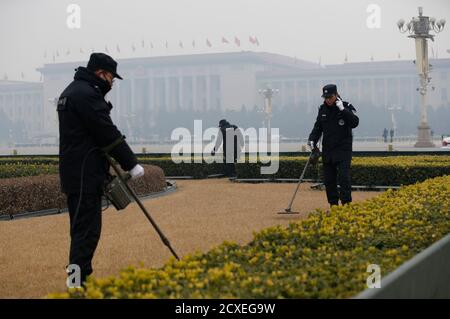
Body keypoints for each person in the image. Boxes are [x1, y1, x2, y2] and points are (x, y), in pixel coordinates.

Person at [57, 53, 145, 286]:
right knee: (86, 233)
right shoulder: (87, 94)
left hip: (76, 172)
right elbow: (106, 131)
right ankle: (77, 283)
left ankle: (77, 281)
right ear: (101, 74)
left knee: (80, 231)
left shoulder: (72, 90)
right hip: (85, 174)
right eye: (111, 78)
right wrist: (131, 163)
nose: (112, 83)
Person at [308, 84, 359, 207]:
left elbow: (355, 123)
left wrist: (343, 110)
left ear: (336, 95)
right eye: (325, 97)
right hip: (328, 150)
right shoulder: (322, 109)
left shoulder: (345, 107)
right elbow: (318, 128)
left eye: (330, 97)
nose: (328, 100)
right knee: (329, 180)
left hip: (343, 150)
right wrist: (312, 140)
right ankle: (333, 205)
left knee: (343, 178)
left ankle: (346, 203)